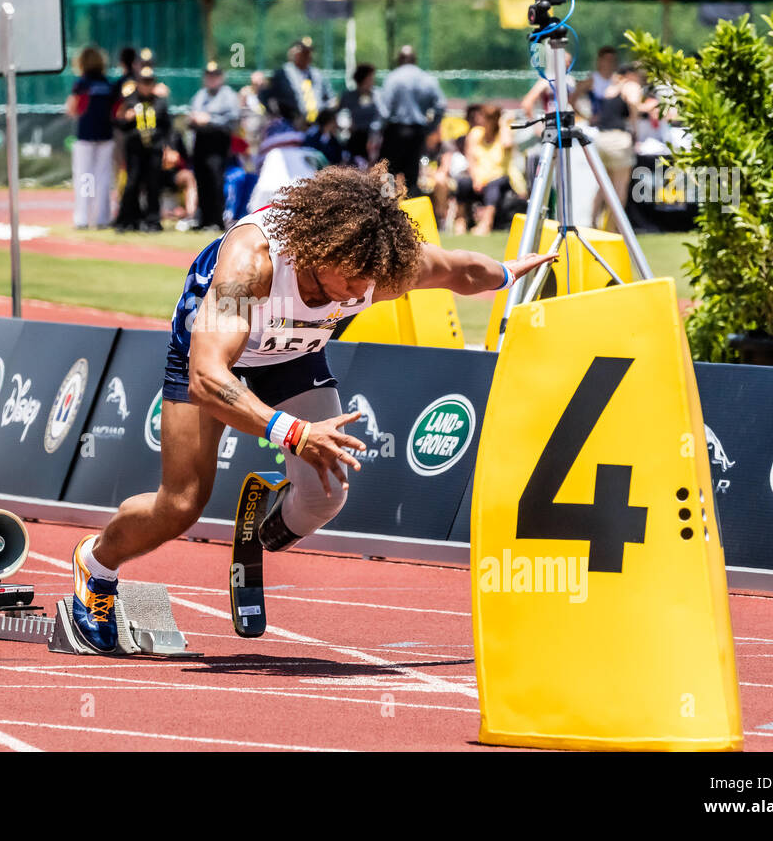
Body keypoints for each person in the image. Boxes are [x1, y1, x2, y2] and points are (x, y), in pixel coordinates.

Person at [65, 162, 556, 652]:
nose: (359, 294)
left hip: (293, 354)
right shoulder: (252, 262)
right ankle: (98, 565)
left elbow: (461, 270)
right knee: (180, 504)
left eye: (370, 283)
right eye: (349, 281)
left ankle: (256, 538)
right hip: (215, 355)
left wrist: (511, 272)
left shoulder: (378, 267)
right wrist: (295, 433)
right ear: (319, 249)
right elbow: (207, 378)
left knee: (326, 496)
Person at [587, 63, 658, 231]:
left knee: (604, 186)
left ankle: (593, 224)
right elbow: (634, 103)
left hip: (601, 139)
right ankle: (612, 229)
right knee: (620, 187)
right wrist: (635, 126)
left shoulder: (611, 87)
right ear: (630, 74)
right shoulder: (630, 86)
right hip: (619, 140)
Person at [377, 45, 445, 194]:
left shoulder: (393, 77)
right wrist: (430, 128)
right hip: (417, 132)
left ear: (399, 60)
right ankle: (412, 212)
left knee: (388, 174)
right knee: (412, 176)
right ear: (415, 60)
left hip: (396, 131)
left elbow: (384, 110)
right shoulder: (427, 78)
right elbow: (441, 106)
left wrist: (378, 131)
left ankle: (385, 211)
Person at [115, 66, 170, 232]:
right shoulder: (130, 100)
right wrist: (126, 118)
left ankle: (153, 221)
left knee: (153, 185)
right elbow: (119, 124)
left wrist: (169, 148)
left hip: (154, 149)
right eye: (143, 82)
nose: (146, 85)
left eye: (149, 82)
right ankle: (127, 220)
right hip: (135, 150)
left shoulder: (159, 102)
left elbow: (167, 127)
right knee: (132, 184)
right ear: (138, 83)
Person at [66, 45, 115, 229]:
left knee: (85, 177)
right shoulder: (107, 84)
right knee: (103, 178)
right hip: (106, 135)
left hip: (86, 135)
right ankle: (102, 218)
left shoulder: (82, 84)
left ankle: (83, 219)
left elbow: (71, 108)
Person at [188, 61, 240, 231]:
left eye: (215, 75)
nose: (211, 78)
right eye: (209, 75)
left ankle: (217, 221)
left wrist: (209, 120)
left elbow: (232, 120)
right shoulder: (200, 95)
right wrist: (195, 120)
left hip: (217, 143)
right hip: (200, 142)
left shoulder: (228, 95)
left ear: (221, 77)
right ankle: (203, 219)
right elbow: (191, 117)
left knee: (216, 181)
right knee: (202, 181)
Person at [454, 105, 517, 235]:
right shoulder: (475, 133)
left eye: (488, 118)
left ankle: (486, 223)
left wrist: (504, 123)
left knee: (494, 185)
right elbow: (470, 159)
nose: (483, 120)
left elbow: (507, 144)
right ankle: (460, 221)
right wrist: (476, 179)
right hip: (479, 179)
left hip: (500, 180)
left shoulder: (504, 134)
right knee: (463, 183)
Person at [265, 38, 333, 129]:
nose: (306, 56)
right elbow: (267, 96)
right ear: (294, 54)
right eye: (303, 53)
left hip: (317, 123)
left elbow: (329, 98)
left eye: (308, 53)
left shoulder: (316, 74)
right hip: (291, 123)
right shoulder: (282, 74)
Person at [336, 63, 381, 163]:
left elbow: (382, 116)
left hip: (374, 139)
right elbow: (339, 114)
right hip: (356, 138)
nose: (373, 81)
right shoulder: (348, 96)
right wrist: (345, 126)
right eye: (370, 78)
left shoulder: (377, 95)